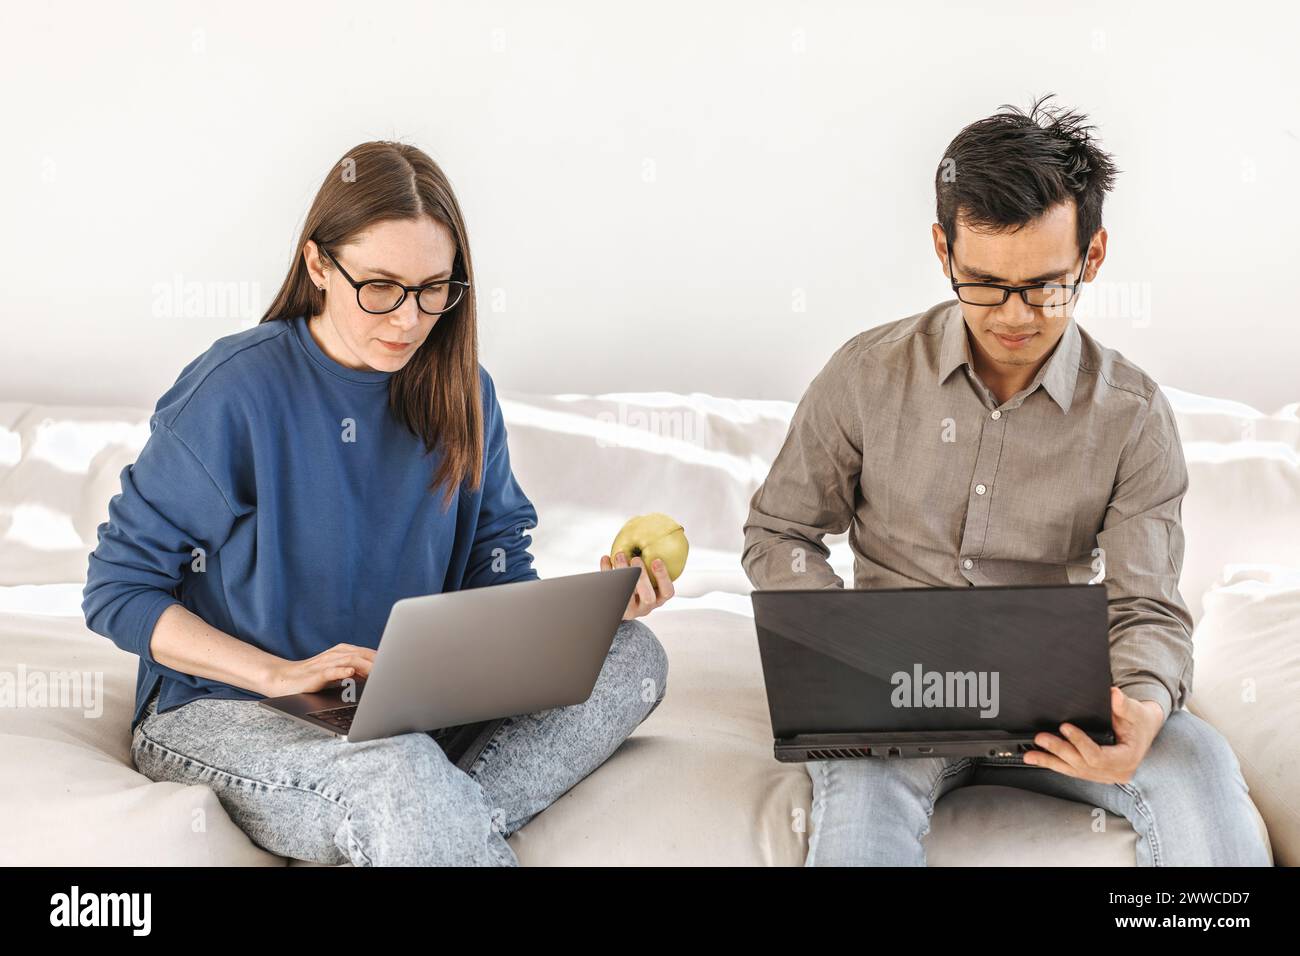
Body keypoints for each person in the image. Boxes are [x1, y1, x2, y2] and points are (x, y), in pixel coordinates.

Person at [82, 141, 673, 866]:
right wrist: (279, 674)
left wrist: (581, 618)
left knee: (629, 657)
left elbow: (495, 578)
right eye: (382, 287)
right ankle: (414, 812)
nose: (409, 318)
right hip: (229, 708)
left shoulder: (465, 392)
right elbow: (117, 590)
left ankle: (417, 821)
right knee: (398, 774)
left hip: (399, 710)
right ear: (318, 265)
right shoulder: (236, 391)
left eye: (434, 289)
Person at [741, 96, 1270, 866]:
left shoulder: (1132, 414)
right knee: (859, 814)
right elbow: (779, 531)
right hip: (895, 694)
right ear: (943, 250)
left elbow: (1147, 605)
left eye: (1046, 286)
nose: (1014, 316)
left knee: (1199, 767)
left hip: (1063, 702)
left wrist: (1146, 706)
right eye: (984, 283)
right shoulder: (864, 374)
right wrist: (844, 653)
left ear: (1092, 258)